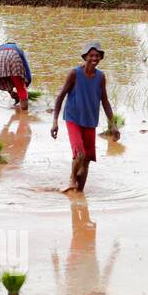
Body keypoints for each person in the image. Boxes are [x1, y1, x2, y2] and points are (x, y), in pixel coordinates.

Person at [51, 41, 115, 194]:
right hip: (73, 118)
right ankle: (72, 179)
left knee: (87, 161)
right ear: (85, 57)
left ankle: (79, 195)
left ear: (100, 58)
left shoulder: (100, 77)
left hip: (90, 121)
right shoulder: (75, 73)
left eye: (97, 55)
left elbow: (105, 101)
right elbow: (60, 96)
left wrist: (113, 125)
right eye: (91, 55)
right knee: (79, 154)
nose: (94, 58)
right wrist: (55, 122)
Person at [0, 40, 33, 111]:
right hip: (14, 57)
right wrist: (25, 86)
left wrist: (11, 92)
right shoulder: (18, 49)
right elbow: (27, 71)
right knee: (20, 88)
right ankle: (25, 114)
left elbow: (3, 74)